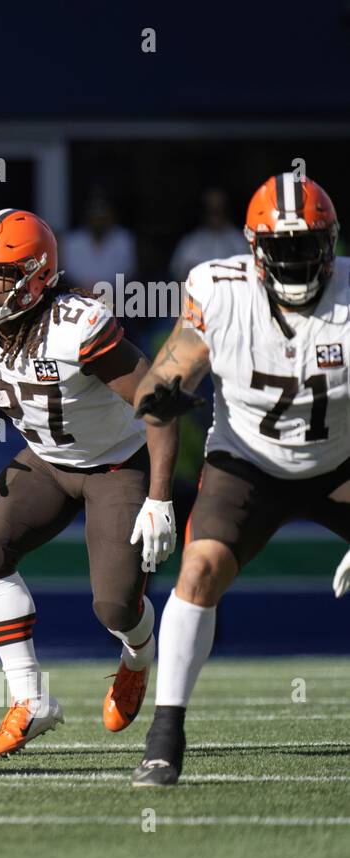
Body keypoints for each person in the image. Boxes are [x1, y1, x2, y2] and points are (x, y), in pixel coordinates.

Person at [0, 209, 170, 760]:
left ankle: (137, 657)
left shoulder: (77, 327)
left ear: (38, 274)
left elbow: (158, 404)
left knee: (114, 608)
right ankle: (30, 698)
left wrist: (160, 496)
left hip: (116, 464)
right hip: (47, 459)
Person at [130, 173, 350, 787]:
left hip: (342, 461)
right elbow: (165, 375)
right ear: (256, 253)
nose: (299, 261)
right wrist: (160, 396)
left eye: (309, 246)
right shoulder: (218, 290)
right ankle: (165, 734)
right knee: (198, 572)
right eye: (284, 249)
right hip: (248, 460)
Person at [169, 187, 250, 280]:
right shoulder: (189, 243)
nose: (215, 213)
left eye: (219, 209)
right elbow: (178, 277)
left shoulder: (241, 241)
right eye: (211, 209)